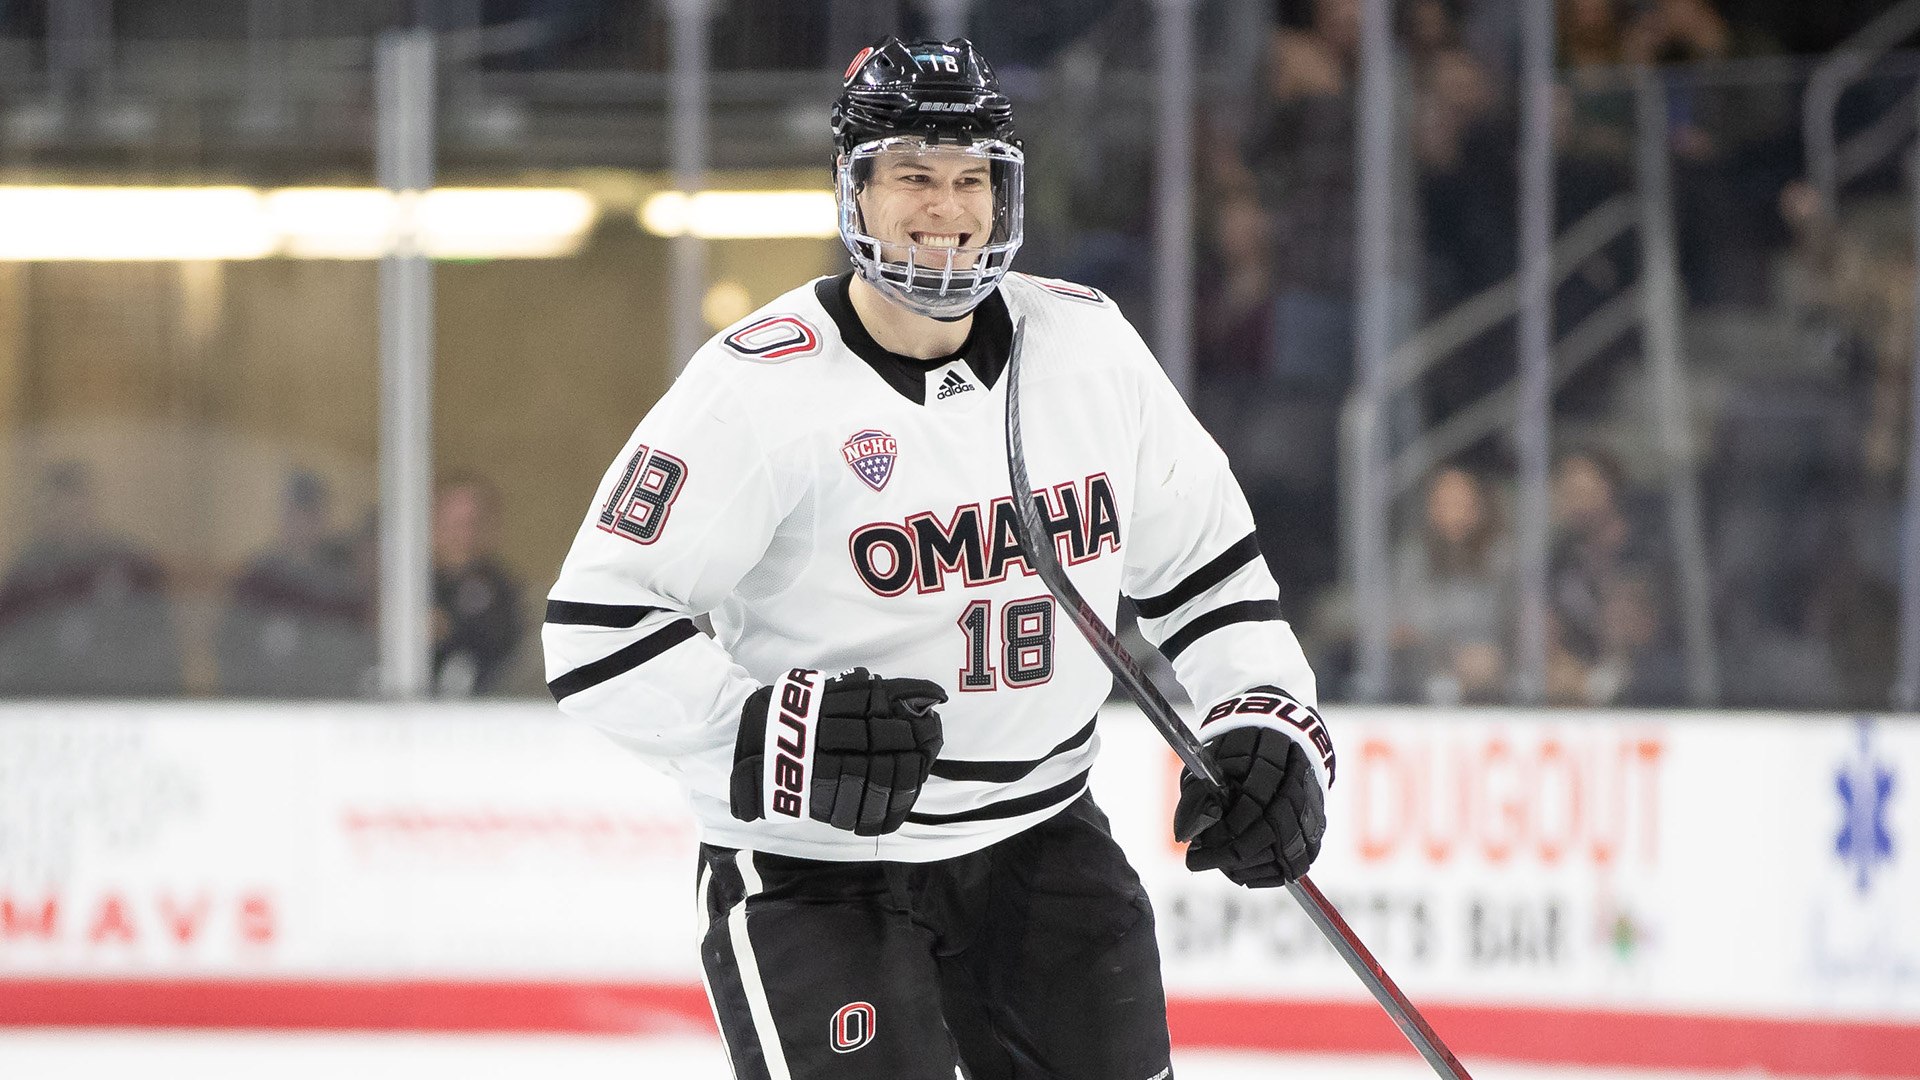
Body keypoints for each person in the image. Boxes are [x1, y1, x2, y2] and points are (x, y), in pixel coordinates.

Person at [544, 38, 1331, 1080]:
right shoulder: (754, 389)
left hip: (1044, 842)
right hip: (819, 870)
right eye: (913, 175)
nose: (947, 208)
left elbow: (1211, 579)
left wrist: (1267, 721)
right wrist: (770, 730)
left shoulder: (1091, 348)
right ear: (854, 192)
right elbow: (595, 630)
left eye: (972, 179)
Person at [0, 461, 182, 696]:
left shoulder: (131, 568)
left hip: (121, 701)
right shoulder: (26, 575)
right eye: (59, 510)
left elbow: (162, 652)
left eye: (77, 508)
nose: (69, 518)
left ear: (92, 505)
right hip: (44, 703)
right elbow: (10, 651)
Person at [216, 469, 374, 697]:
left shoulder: (343, 584)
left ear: (323, 517)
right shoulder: (258, 581)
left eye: (311, 512)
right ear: (283, 515)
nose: (302, 521)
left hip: (328, 706)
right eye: (295, 511)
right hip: (270, 706)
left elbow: (357, 653)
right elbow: (229, 650)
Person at [432, 472, 524, 696]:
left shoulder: (503, 593)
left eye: (470, 523)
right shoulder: (408, 585)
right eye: (451, 523)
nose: (461, 534)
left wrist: (449, 628)